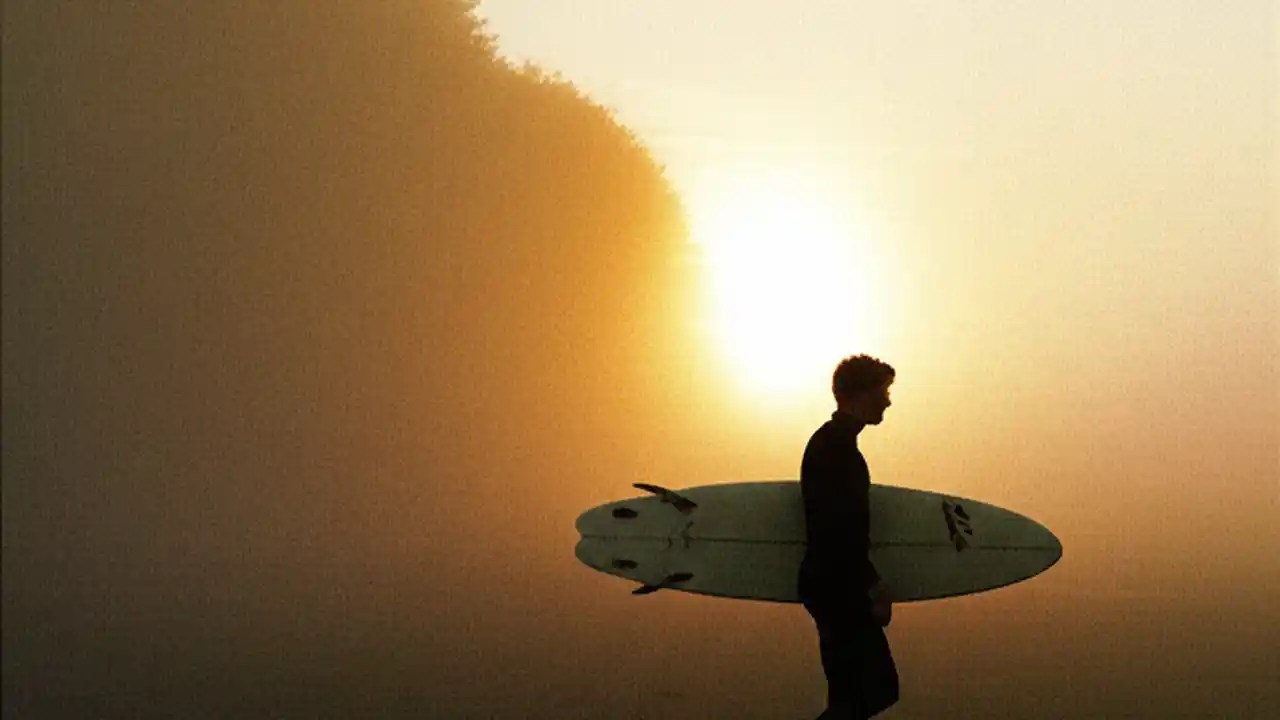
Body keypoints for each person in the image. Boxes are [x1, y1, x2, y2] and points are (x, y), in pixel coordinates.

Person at [799, 354, 899, 719]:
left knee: (853, 696)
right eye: (883, 392)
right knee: (874, 691)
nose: (888, 401)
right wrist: (873, 586)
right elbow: (837, 530)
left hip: (829, 585)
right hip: (837, 588)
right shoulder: (836, 450)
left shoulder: (834, 443)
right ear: (860, 395)